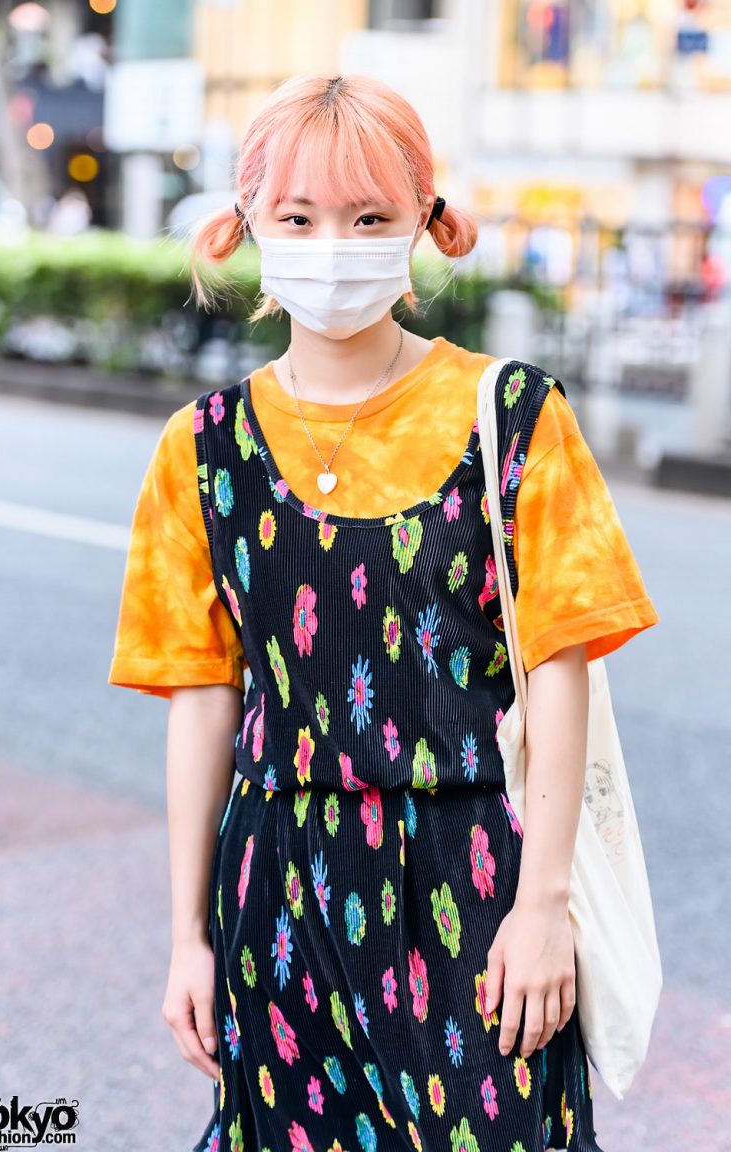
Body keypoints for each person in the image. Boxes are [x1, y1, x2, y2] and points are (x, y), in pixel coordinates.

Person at [108, 74, 660, 1152]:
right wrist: (187, 936)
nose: (333, 244)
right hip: (278, 888)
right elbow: (202, 703)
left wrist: (543, 906)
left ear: (425, 223)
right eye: (299, 217)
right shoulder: (203, 447)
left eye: (369, 217)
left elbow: (560, 673)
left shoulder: (512, 415)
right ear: (247, 226)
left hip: (477, 881)